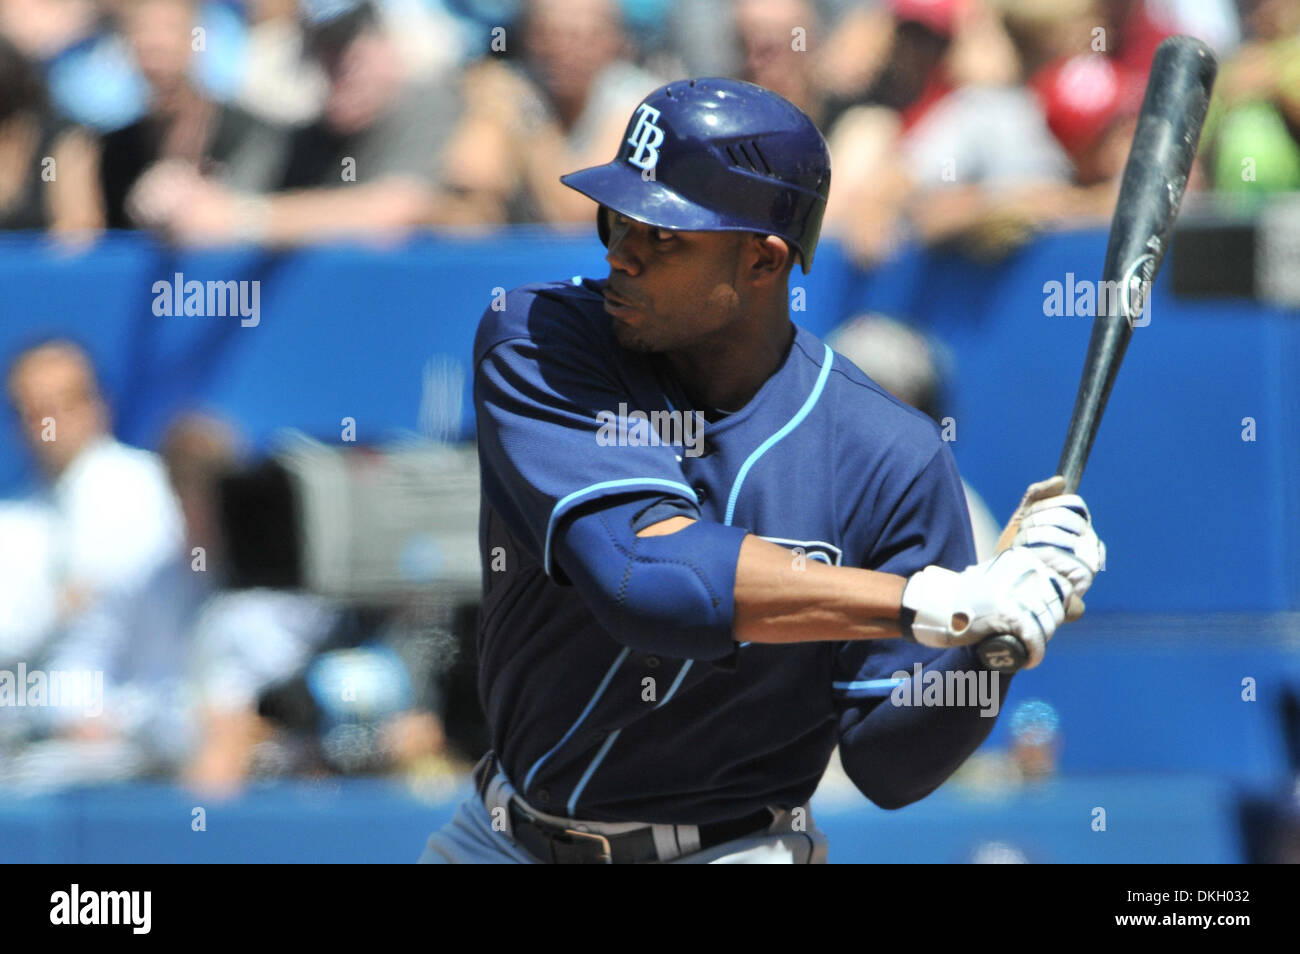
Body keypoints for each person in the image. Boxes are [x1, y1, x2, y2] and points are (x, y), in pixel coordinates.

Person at [420, 78, 1104, 864]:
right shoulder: (541, 338)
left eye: (665, 234)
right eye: (617, 216)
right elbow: (647, 577)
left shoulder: (892, 455)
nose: (621, 253)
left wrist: (995, 638)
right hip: (504, 840)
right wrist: (941, 600)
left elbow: (889, 764)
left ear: (762, 257)